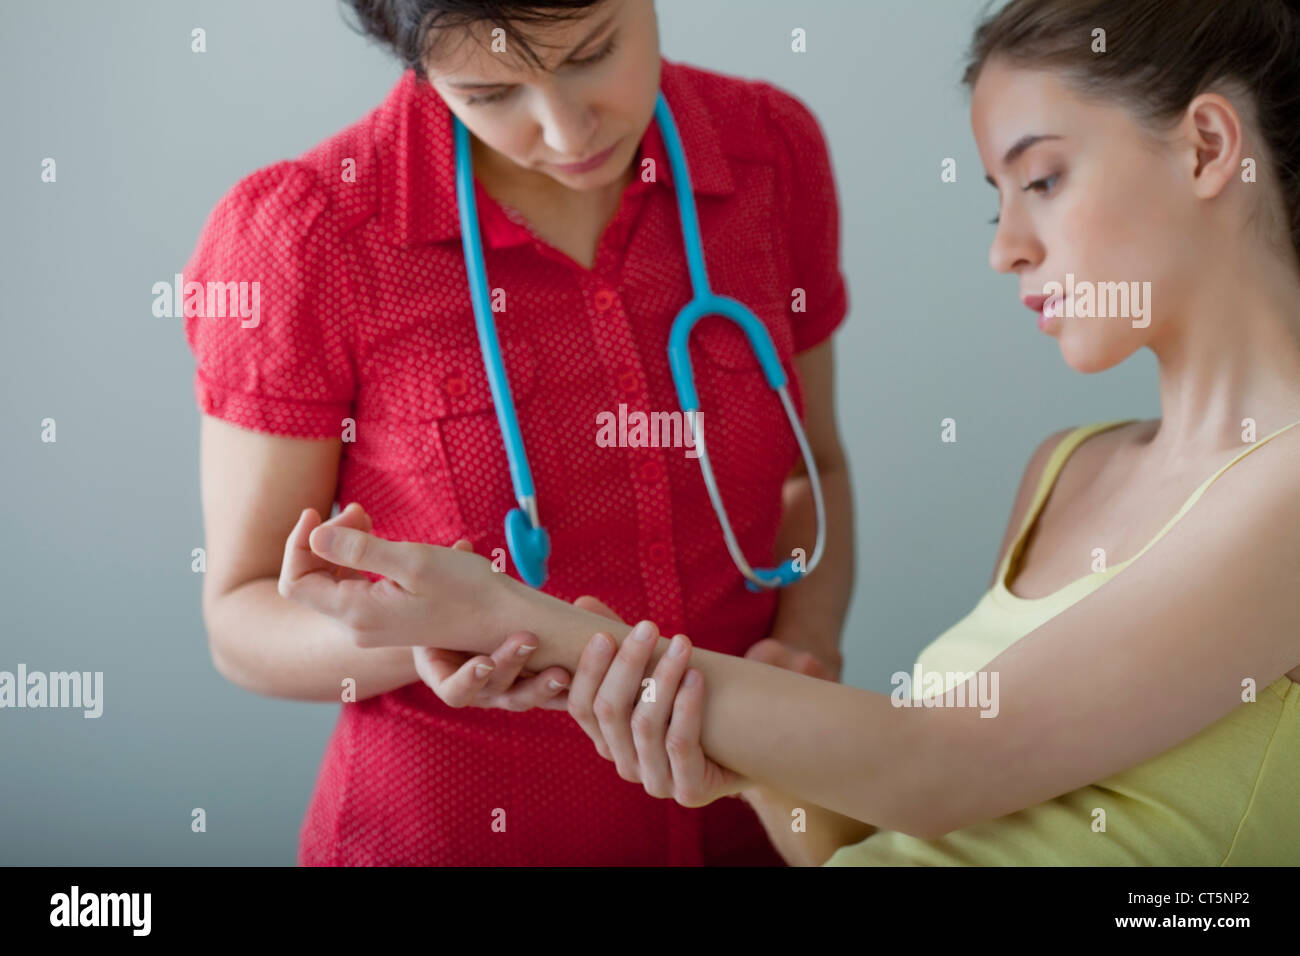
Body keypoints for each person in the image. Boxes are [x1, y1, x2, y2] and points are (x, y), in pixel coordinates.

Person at [287, 0, 1300, 865]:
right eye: (996, 199)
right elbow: (865, 838)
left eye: (1039, 179)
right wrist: (754, 764)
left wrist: (528, 622)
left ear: (1208, 147)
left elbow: (941, 763)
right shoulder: (1065, 472)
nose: (1003, 248)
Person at [183, 0, 853, 865]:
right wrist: (424, 633)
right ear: (419, 64)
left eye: (595, 52)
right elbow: (240, 616)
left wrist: (805, 651)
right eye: (491, 91)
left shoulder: (770, 152)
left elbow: (816, 473)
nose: (566, 129)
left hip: (753, 825)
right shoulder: (307, 235)